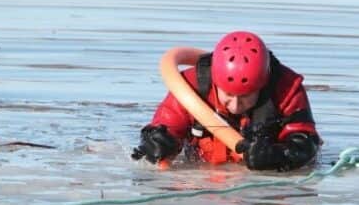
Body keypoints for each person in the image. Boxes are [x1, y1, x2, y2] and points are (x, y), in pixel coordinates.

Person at [132, 31, 320, 171]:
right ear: (215, 82)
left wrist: (277, 156)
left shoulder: (287, 90)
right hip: (201, 178)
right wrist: (158, 142)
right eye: (228, 94)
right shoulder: (189, 87)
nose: (236, 105)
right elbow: (166, 125)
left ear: (262, 85)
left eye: (245, 96)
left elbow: (305, 142)